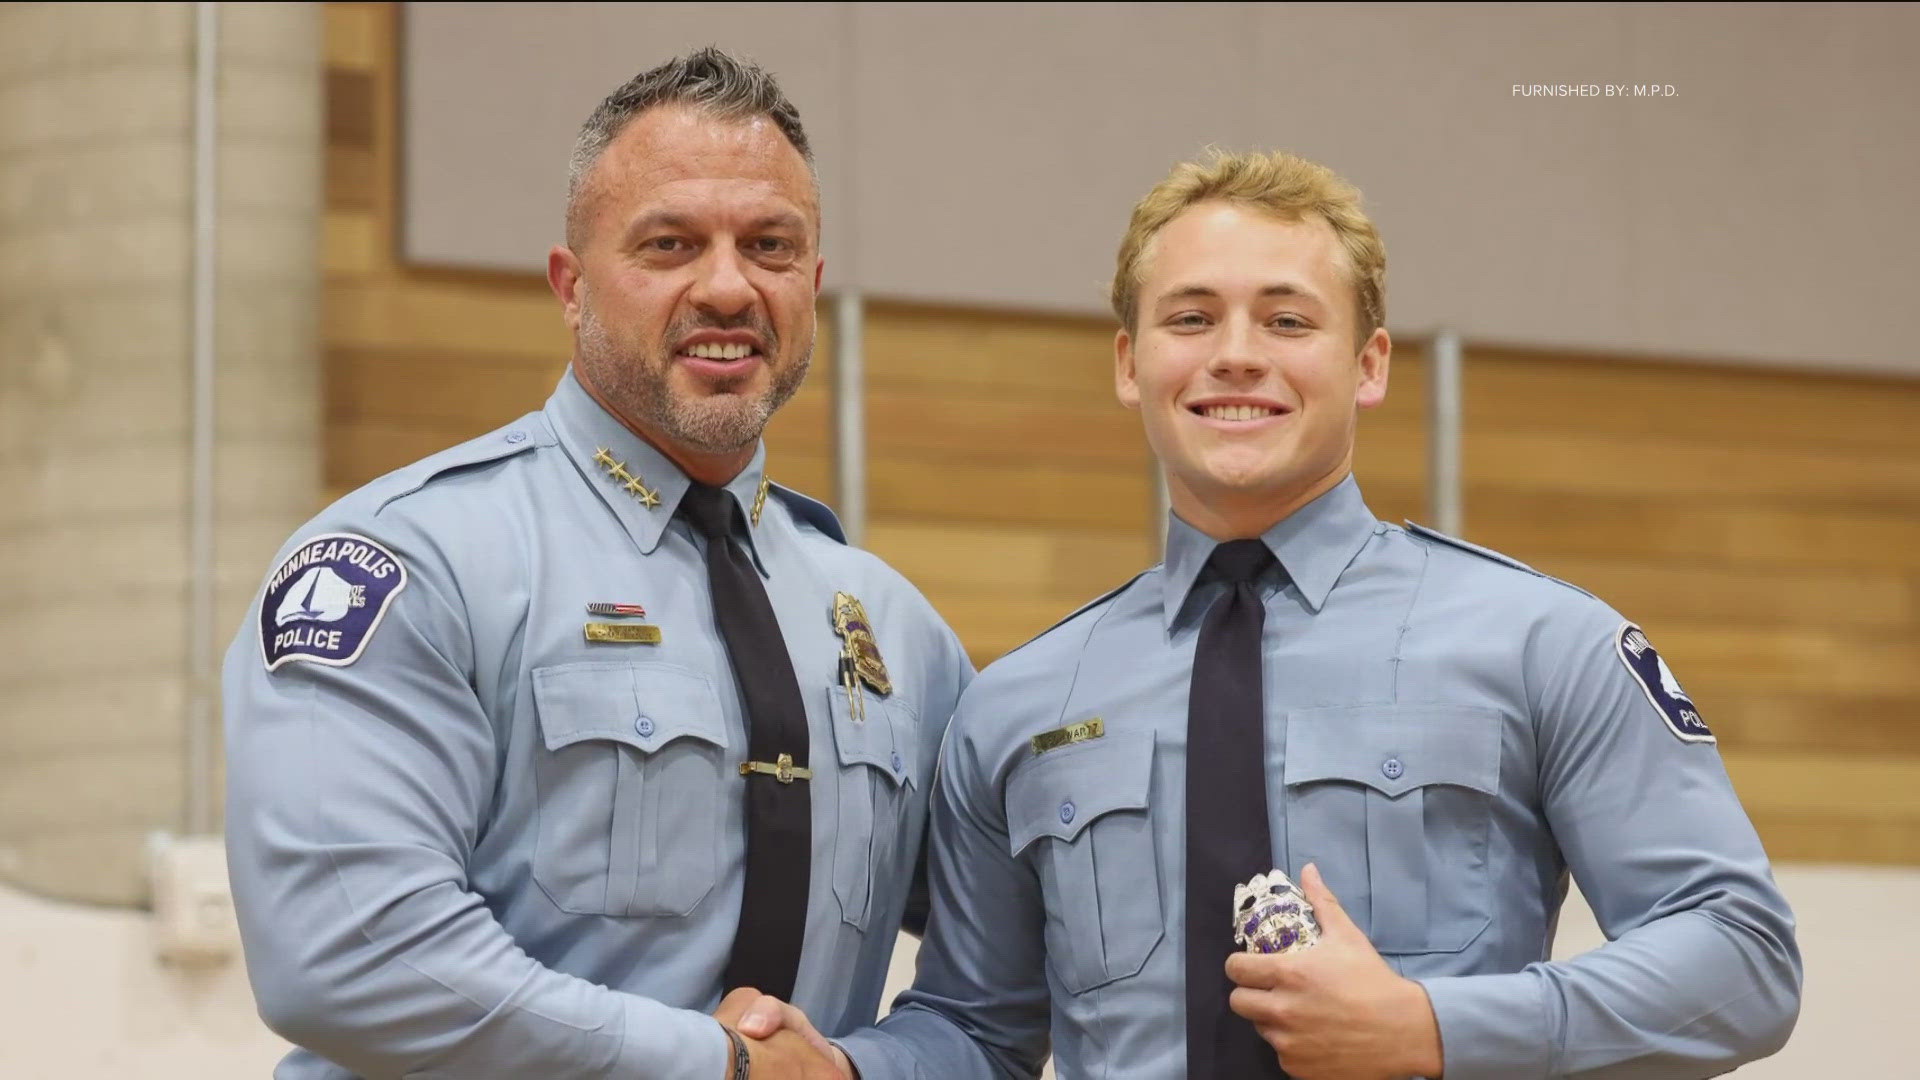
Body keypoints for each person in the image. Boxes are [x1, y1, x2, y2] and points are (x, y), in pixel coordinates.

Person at [739, 149, 1802, 1078]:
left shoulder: (1539, 644)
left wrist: (1433, 1029)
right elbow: (979, 1031)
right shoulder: (1016, 706)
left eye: (1288, 320)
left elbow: (1742, 956)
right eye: (1191, 318)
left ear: (1370, 363)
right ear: (1130, 363)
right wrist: (841, 1069)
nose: (1236, 353)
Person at [223, 48, 969, 1080]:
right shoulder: (408, 564)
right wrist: (717, 1068)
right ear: (570, 288)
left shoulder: (898, 633)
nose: (726, 285)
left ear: (814, 283)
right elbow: (349, 955)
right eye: (669, 245)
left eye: (770, 245)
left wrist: (851, 1074)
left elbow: (994, 991)